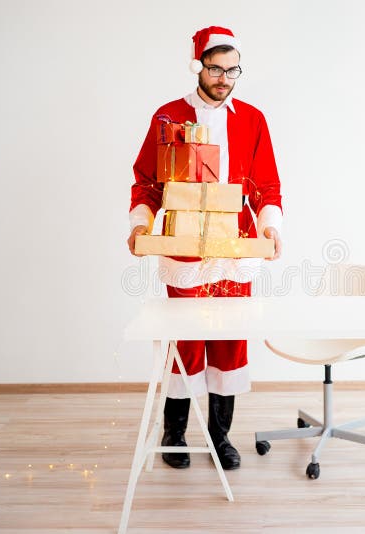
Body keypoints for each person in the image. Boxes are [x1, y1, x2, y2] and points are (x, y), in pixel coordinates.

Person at [127, 26, 283, 471]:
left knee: (230, 343)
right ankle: (174, 431)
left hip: (235, 250)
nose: (224, 78)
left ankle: (220, 436)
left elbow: (268, 186)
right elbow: (147, 182)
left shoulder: (252, 119)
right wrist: (141, 224)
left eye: (233, 69)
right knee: (187, 343)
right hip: (185, 250)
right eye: (216, 68)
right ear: (199, 65)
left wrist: (270, 227)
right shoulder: (168, 117)